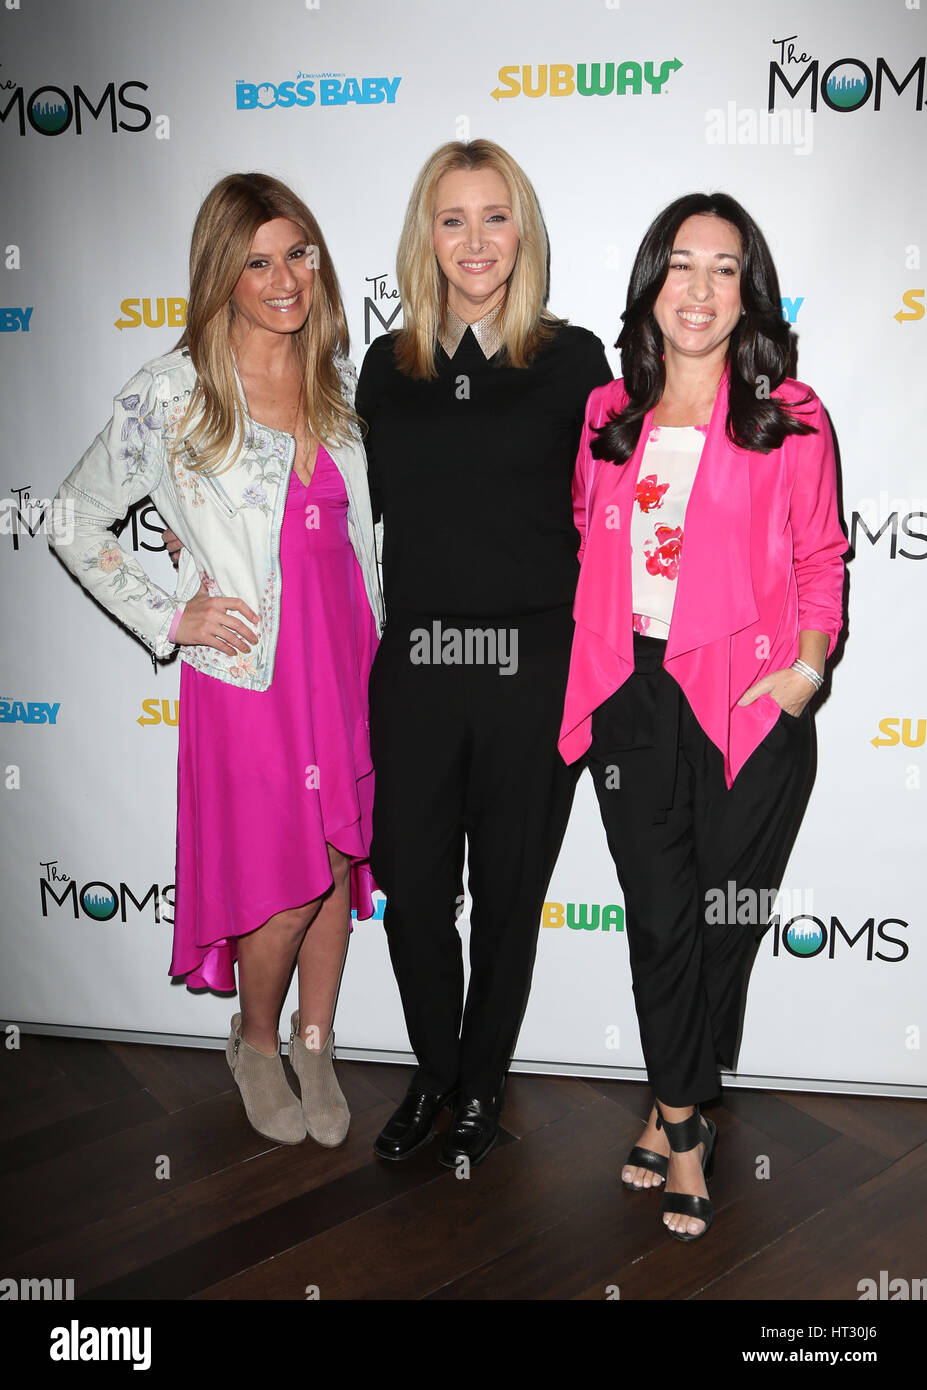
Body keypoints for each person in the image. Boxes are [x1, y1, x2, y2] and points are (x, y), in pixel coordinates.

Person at [48, 172, 383, 1148]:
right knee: (278, 885)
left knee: (334, 861)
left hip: (347, 651)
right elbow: (73, 518)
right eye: (258, 261)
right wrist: (171, 614)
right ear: (222, 275)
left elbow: (365, 533)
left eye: (299, 254)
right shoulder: (175, 387)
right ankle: (254, 1038)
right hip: (251, 674)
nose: (285, 278)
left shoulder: (341, 382)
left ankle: (316, 1042)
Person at [558, 192, 846, 1239]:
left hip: (753, 697)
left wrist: (806, 670)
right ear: (652, 283)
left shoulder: (790, 412)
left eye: (725, 269)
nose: (700, 288)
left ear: (747, 292)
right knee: (663, 917)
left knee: (723, 920)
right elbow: (586, 550)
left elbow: (821, 556)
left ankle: (669, 1091)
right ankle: (687, 1132)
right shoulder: (607, 412)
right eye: (682, 265)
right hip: (634, 695)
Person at [356, 139, 612, 1168]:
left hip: (532, 668)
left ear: (524, 231)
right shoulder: (388, 365)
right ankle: (436, 1067)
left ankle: (481, 1083)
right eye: (452, 218)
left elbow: (619, 514)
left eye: (494, 216)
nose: (475, 239)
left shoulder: (574, 358)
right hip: (415, 669)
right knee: (414, 887)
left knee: (508, 890)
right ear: (428, 234)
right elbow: (332, 515)